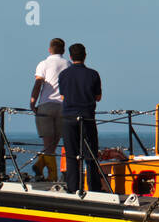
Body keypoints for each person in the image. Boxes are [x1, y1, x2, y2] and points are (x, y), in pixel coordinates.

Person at [58, 43, 104, 193]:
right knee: (90, 156)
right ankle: (93, 189)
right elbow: (98, 97)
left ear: (70, 57)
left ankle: (73, 188)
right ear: (85, 55)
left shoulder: (63, 75)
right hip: (87, 117)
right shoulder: (93, 74)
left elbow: (63, 95)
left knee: (71, 156)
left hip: (68, 118)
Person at [30, 38, 69, 182]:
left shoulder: (43, 64)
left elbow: (38, 83)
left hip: (46, 105)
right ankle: (42, 168)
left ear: (49, 49)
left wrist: (33, 101)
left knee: (48, 144)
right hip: (62, 106)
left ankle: (48, 172)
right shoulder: (68, 64)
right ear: (63, 50)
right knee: (53, 144)